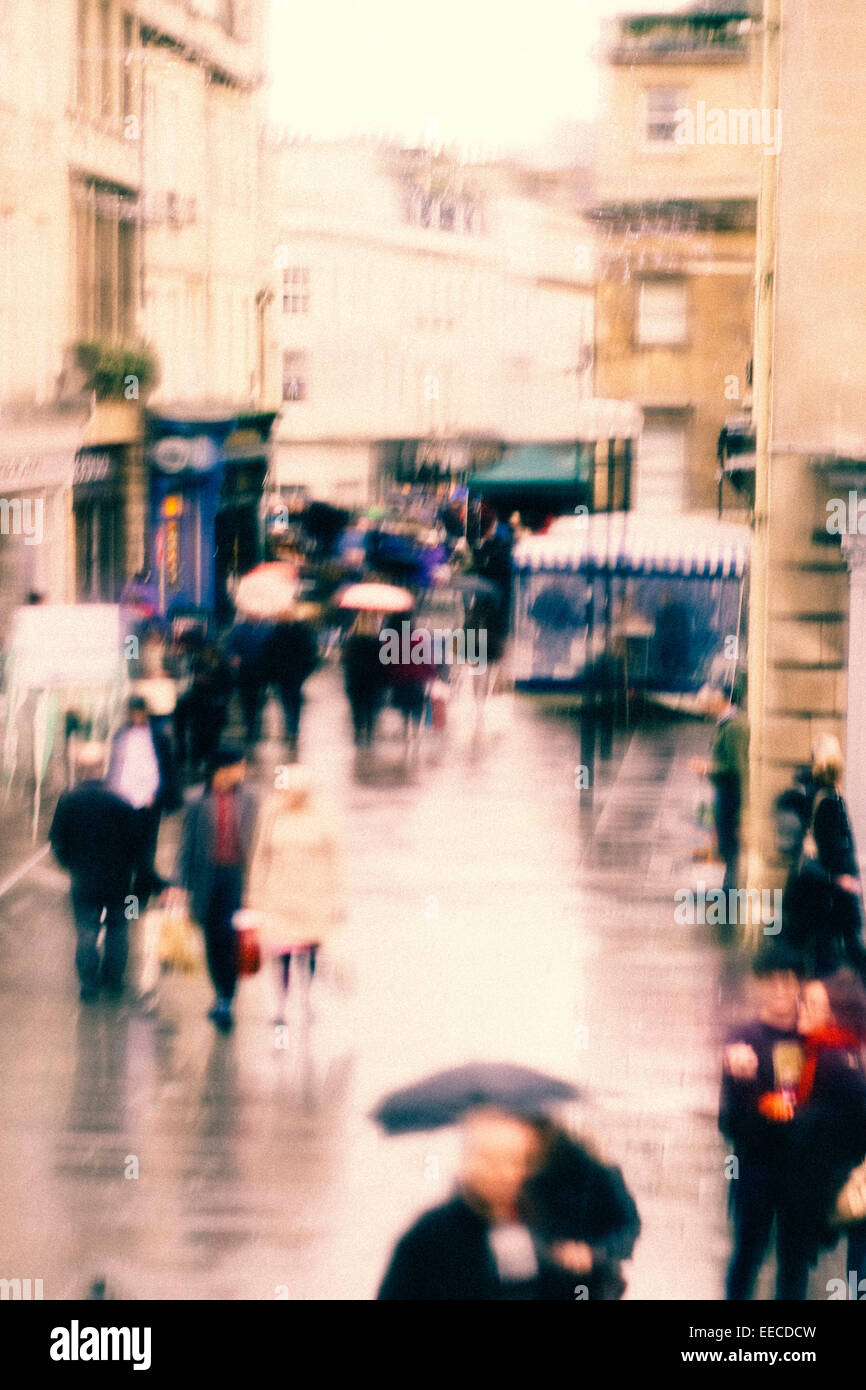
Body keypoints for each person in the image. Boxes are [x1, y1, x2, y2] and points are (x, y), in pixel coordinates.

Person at [377, 1109, 638, 1300]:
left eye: (515, 1162)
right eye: (491, 1161)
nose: (506, 1174)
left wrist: (593, 1256)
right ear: (469, 1164)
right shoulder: (432, 1235)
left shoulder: (573, 1185)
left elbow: (625, 1227)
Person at [761, 971, 866, 1290]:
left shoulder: (835, 1058)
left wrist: (796, 1116)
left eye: (813, 1004)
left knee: (794, 1271)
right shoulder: (821, 1051)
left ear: (834, 1015)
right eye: (803, 1001)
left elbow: (853, 1115)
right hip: (823, 1184)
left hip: (825, 1186)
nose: (802, 1007)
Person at [719, 943, 808, 1299]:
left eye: (788, 982)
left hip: (803, 1171)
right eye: (772, 982)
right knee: (747, 1255)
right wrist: (749, 1091)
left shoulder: (813, 1037)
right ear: (760, 985)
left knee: (795, 1260)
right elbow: (728, 1120)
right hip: (754, 1169)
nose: (781, 991)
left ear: (800, 984)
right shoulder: (743, 1039)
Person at [246, 764, 344, 1024]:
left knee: (310, 950)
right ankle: (281, 1005)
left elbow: (337, 860)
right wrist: (254, 894)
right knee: (282, 953)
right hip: (279, 896)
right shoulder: (272, 813)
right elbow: (261, 857)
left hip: (313, 896)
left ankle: (307, 999)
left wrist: (339, 899)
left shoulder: (324, 815)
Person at [175, 746, 259, 1032]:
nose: (243, 771)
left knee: (231, 938)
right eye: (239, 766)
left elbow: (259, 844)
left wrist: (258, 885)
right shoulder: (195, 800)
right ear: (222, 770)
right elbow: (185, 846)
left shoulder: (250, 799)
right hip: (207, 881)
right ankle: (220, 994)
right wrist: (179, 884)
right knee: (213, 940)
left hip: (236, 879)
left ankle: (227, 997)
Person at [49, 745, 140, 1001]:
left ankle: (88, 982)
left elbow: (56, 840)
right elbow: (137, 842)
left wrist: (70, 865)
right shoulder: (121, 800)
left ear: (80, 769)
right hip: (122, 884)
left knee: (86, 929)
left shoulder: (68, 801)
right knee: (121, 927)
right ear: (102, 767)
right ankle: (114, 980)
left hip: (83, 881)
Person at [782, 735, 866, 979]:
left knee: (827, 947)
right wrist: (842, 879)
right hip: (829, 889)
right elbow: (834, 847)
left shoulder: (813, 792)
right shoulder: (828, 800)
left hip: (817, 888)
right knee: (842, 949)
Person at [106, 695, 180, 904]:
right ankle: (142, 883)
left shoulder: (158, 738)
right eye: (132, 712)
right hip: (123, 801)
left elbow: (165, 769)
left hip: (148, 802)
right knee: (127, 846)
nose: (136, 716)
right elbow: (116, 766)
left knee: (146, 846)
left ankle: (141, 890)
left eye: (139, 712)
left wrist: (157, 796)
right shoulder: (120, 736)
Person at [693, 685, 749, 894]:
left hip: (731, 794)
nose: (706, 713)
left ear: (717, 702)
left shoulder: (734, 727)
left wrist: (707, 767)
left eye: (706, 707)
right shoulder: (727, 724)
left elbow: (737, 766)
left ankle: (730, 891)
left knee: (729, 845)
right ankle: (729, 889)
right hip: (726, 792)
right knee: (726, 844)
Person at [261, 612, 319, 758]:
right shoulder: (281, 632)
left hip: (292, 674)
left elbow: (310, 653)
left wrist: (305, 671)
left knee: (290, 701)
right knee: (290, 701)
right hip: (287, 674)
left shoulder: (290, 632)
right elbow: (270, 653)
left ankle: (291, 728)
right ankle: (291, 728)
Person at [226, 616, 274, 748]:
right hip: (244, 671)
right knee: (247, 700)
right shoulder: (238, 629)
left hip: (261, 671)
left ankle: (254, 723)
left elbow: (272, 647)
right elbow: (231, 646)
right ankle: (251, 727)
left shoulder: (267, 628)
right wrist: (233, 657)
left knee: (258, 700)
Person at [343, 611, 387, 748]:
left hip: (355, 679)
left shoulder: (351, 641)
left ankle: (358, 733)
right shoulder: (379, 642)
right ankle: (369, 734)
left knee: (357, 707)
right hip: (373, 681)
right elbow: (384, 663)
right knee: (371, 707)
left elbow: (345, 661)